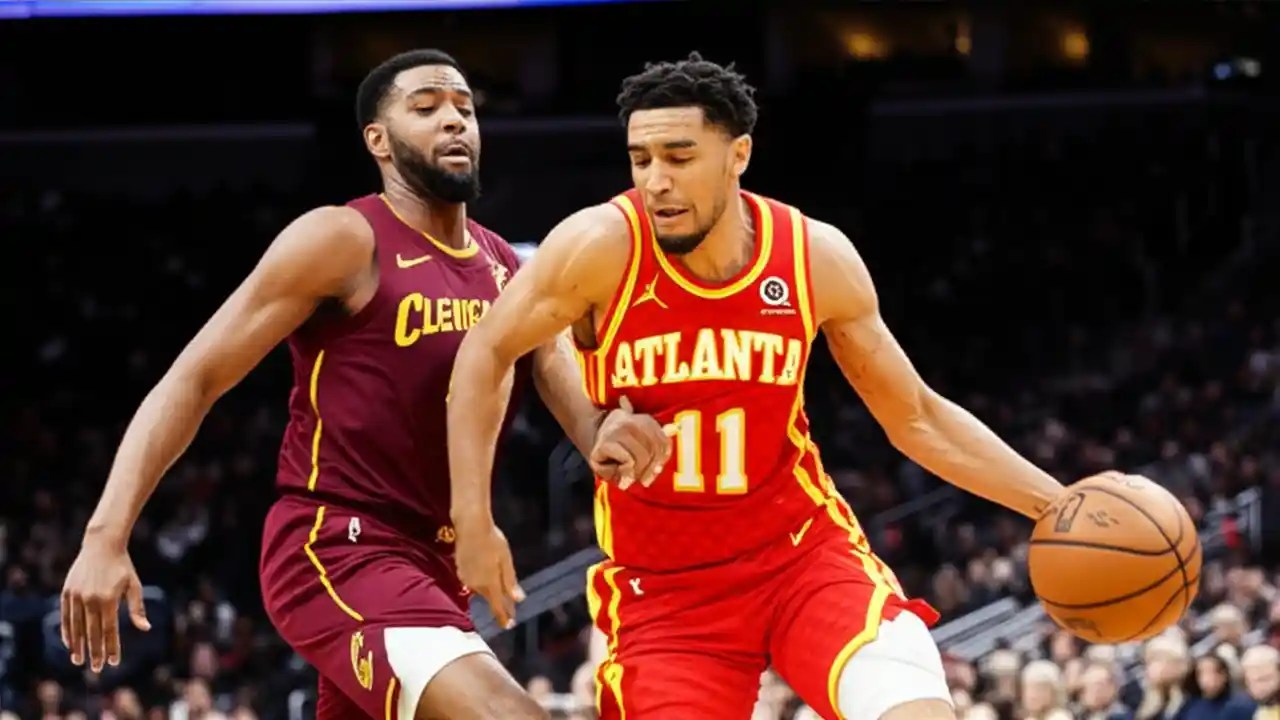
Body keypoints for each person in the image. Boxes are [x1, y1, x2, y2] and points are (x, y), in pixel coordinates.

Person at [447, 52, 1068, 720]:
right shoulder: (600, 246)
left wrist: (1054, 505)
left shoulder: (812, 256)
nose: (656, 181)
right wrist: (475, 518)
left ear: (738, 153)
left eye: (679, 157)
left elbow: (915, 416)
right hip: (668, 594)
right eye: (641, 159)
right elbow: (488, 350)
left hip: (803, 558)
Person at [59, 49, 670, 720]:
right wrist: (104, 537)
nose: (455, 122)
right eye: (427, 108)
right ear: (377, 141)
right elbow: (195, 378)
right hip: (338, 545)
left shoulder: (504, 266)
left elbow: (560, 377)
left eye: (466, 109)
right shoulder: (343, 239)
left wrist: (603, 431)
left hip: (435, 567)